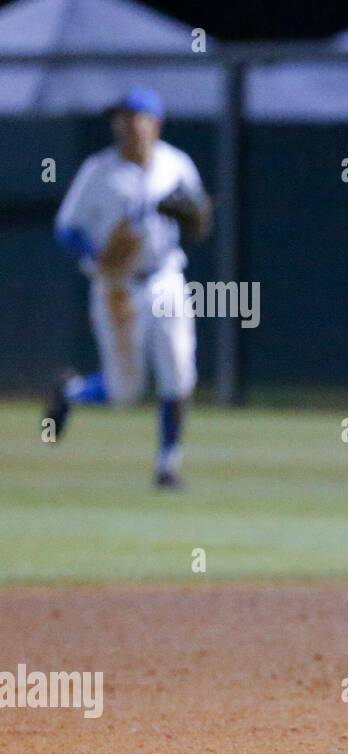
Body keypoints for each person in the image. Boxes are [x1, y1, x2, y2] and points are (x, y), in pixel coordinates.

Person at [47, 86, 212, 489]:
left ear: (154, 122)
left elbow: (200, 220)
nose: (123, 124)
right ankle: (71, 390)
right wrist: (98, 252)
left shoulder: (176, 164)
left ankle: (167, 465)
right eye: (119, 117)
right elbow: (66, 228)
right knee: (125, 392)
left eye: (132, 116)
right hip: (116, 285)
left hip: (165, 278)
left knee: (178, 371)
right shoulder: (98, 170)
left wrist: (196, 217)